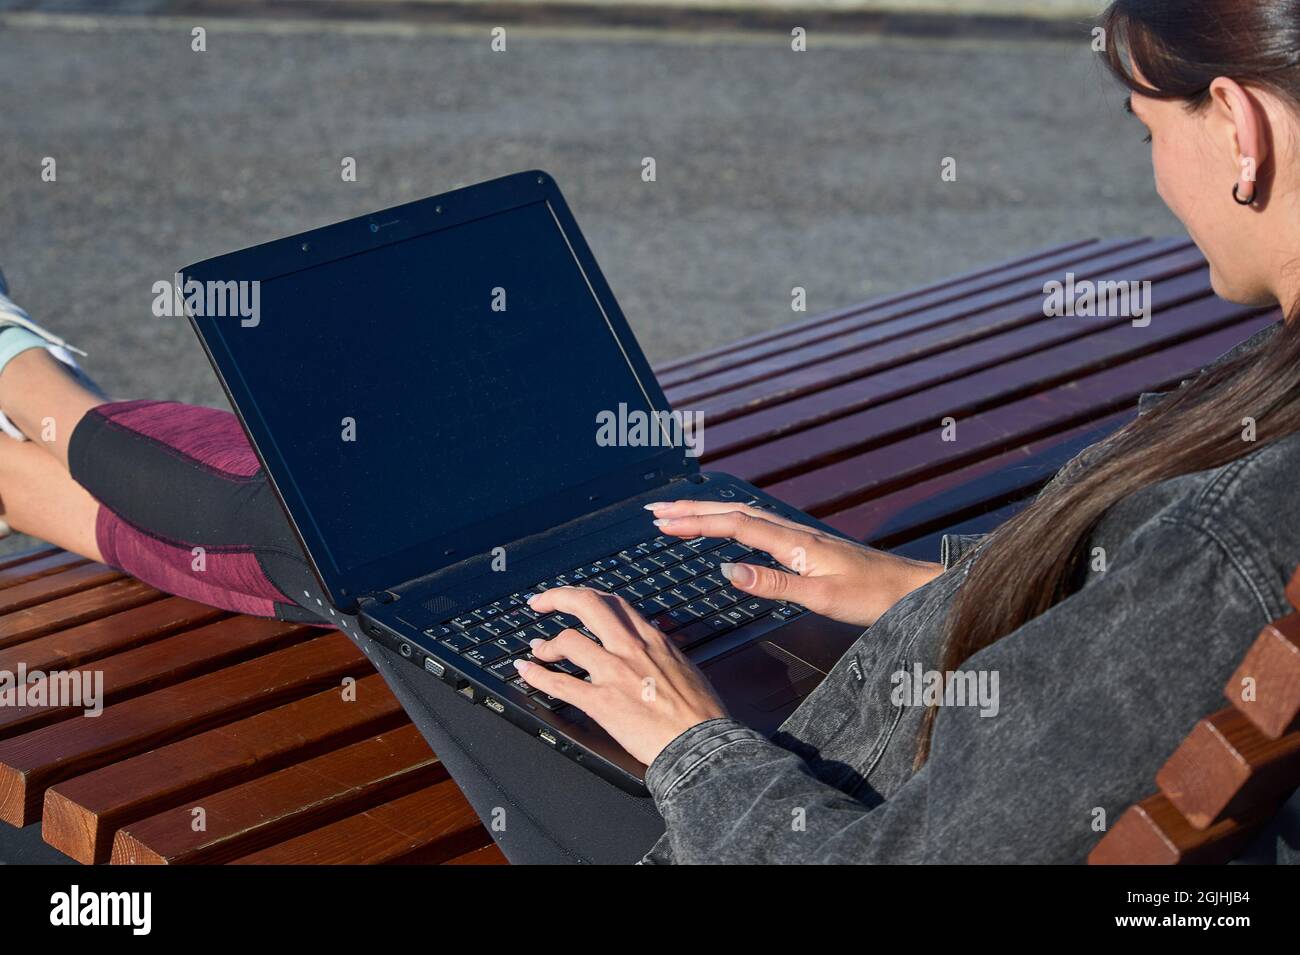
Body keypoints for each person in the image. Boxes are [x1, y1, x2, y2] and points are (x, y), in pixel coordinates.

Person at [3, 0, 1300, 863]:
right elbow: (1130, 632)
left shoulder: (1256, 522)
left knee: (360, 533)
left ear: (1236, 128)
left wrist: (686, 738)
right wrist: (928, 585)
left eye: (1150, 127)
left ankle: (32, 397)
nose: (1155, 169)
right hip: (861, 727)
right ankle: (33, 424)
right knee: (395, 533)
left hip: (709, 825)